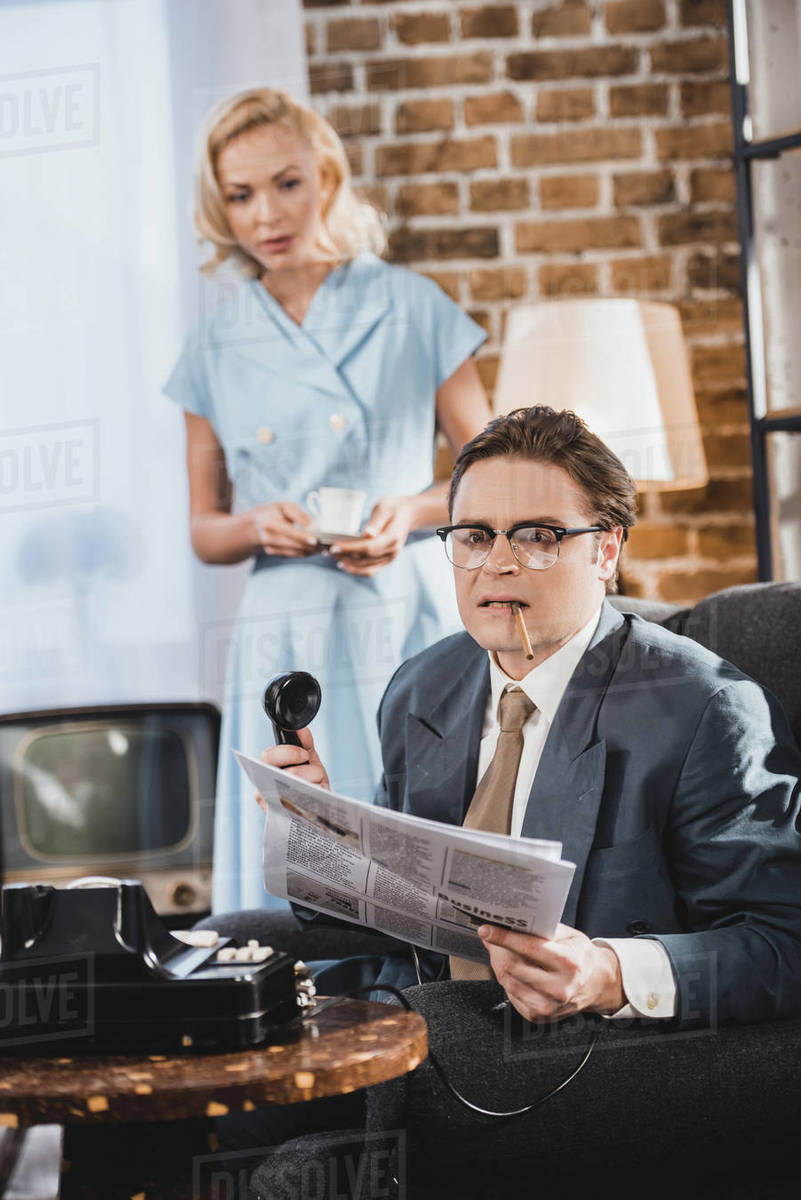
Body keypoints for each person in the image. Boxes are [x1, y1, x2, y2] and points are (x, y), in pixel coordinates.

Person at [266, 404, 801, 1029]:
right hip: (413, 1029)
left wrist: (609, 973)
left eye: (537, 536)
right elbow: (394, 922)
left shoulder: (707, 709)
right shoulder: (420, 687)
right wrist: (319, 838)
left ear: (607, 549)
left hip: (574, 1063)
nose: (497, 563)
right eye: (473, 536)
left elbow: (783, 945)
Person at [163, 87, 490, 913]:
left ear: (329, 179)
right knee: (303, 864)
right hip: (285, 630)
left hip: (401, 607)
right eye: (239, 195)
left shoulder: (413, 305)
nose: (265, 214)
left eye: (286, 183)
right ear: (219, 207)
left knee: (415, 841)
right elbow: (204, 530)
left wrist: (409, 515)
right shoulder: (212, 344)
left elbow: (491, 474)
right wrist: (254, 524)